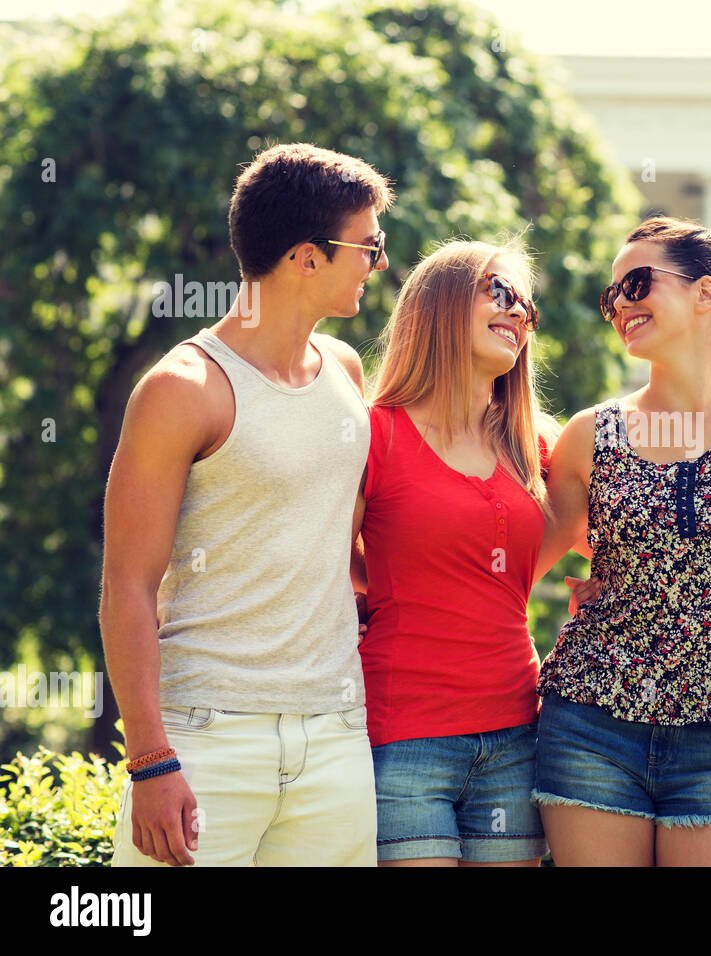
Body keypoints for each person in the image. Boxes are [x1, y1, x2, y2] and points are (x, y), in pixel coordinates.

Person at [101, 143, 392, 866]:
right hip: (206, 737)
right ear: (306, 257)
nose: (378, 263)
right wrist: (151, 761)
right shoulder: (183, 389)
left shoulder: (347, 373)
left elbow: (340, 539)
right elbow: (126, 587)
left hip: (333, 732)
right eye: (369, 246)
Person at [535, 216, 711, 866]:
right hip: (592, 722)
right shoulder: (588, 434)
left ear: (706, 293)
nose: (621, 303)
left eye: (638, 283)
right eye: (612, 296)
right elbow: (511, 570)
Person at [352, 239, 556, 867]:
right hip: (404, 739)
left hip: (517, 734)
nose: (517, 312)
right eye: (498, 292)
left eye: (525, 303)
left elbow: (645, 525)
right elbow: (319, 567)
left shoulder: (539, 447)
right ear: (439, 304)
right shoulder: (372, 433)